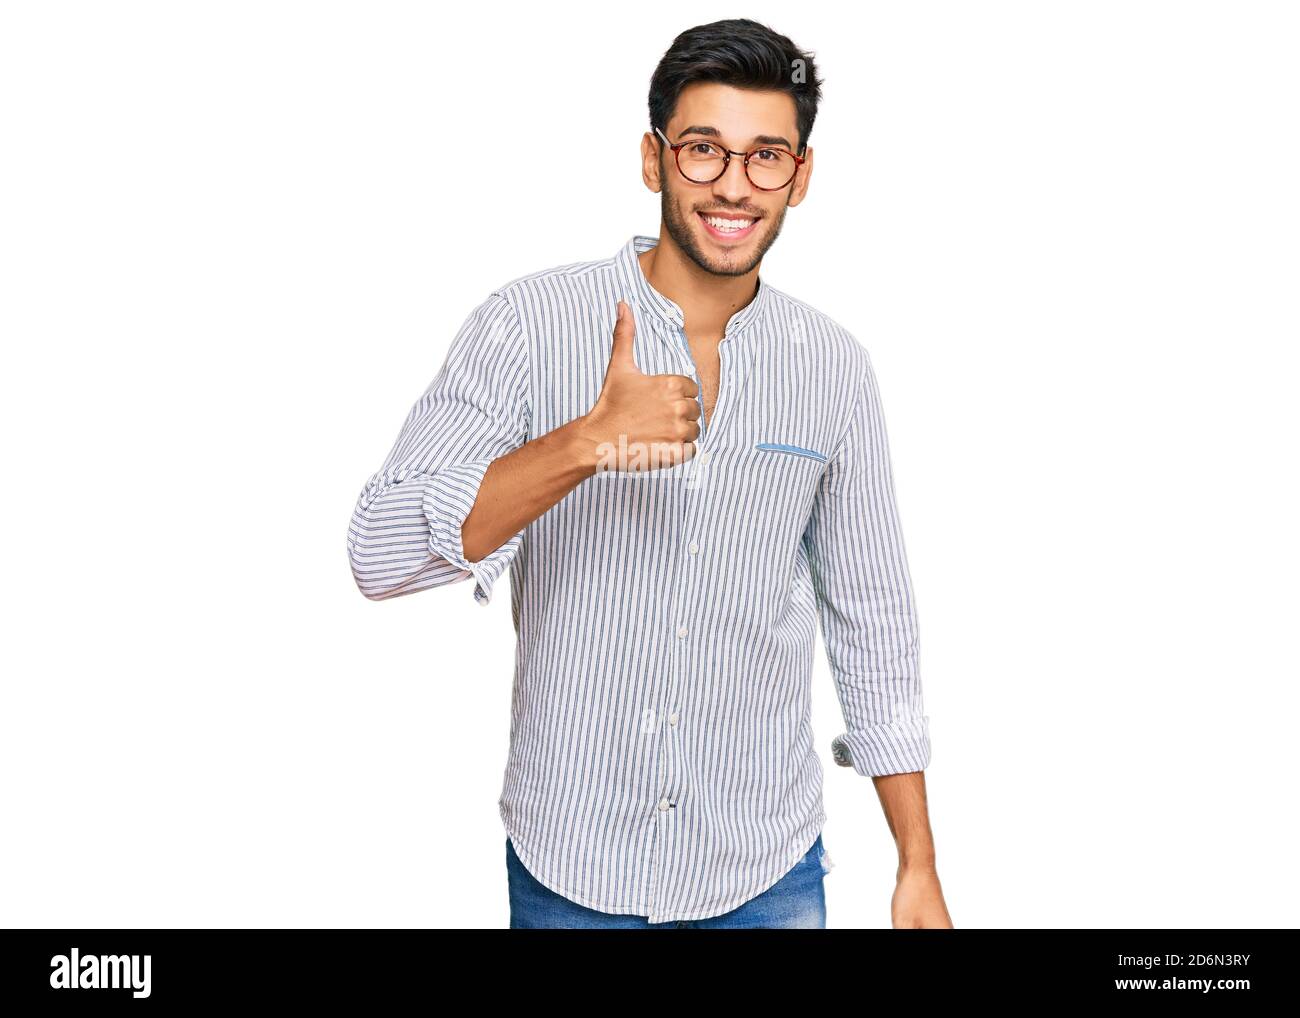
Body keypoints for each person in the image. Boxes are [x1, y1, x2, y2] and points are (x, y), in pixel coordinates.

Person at [347, 17, 952, 929]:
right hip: (571, 866)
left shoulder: (834, 369)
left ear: (802, 175)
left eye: (766, 157)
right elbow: (377, 552)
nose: (734, 188)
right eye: (704, 150)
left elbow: (874, 622)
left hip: (764, 872)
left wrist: (917, 863)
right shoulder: (529, 327)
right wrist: (585, 442)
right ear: (653, 158)